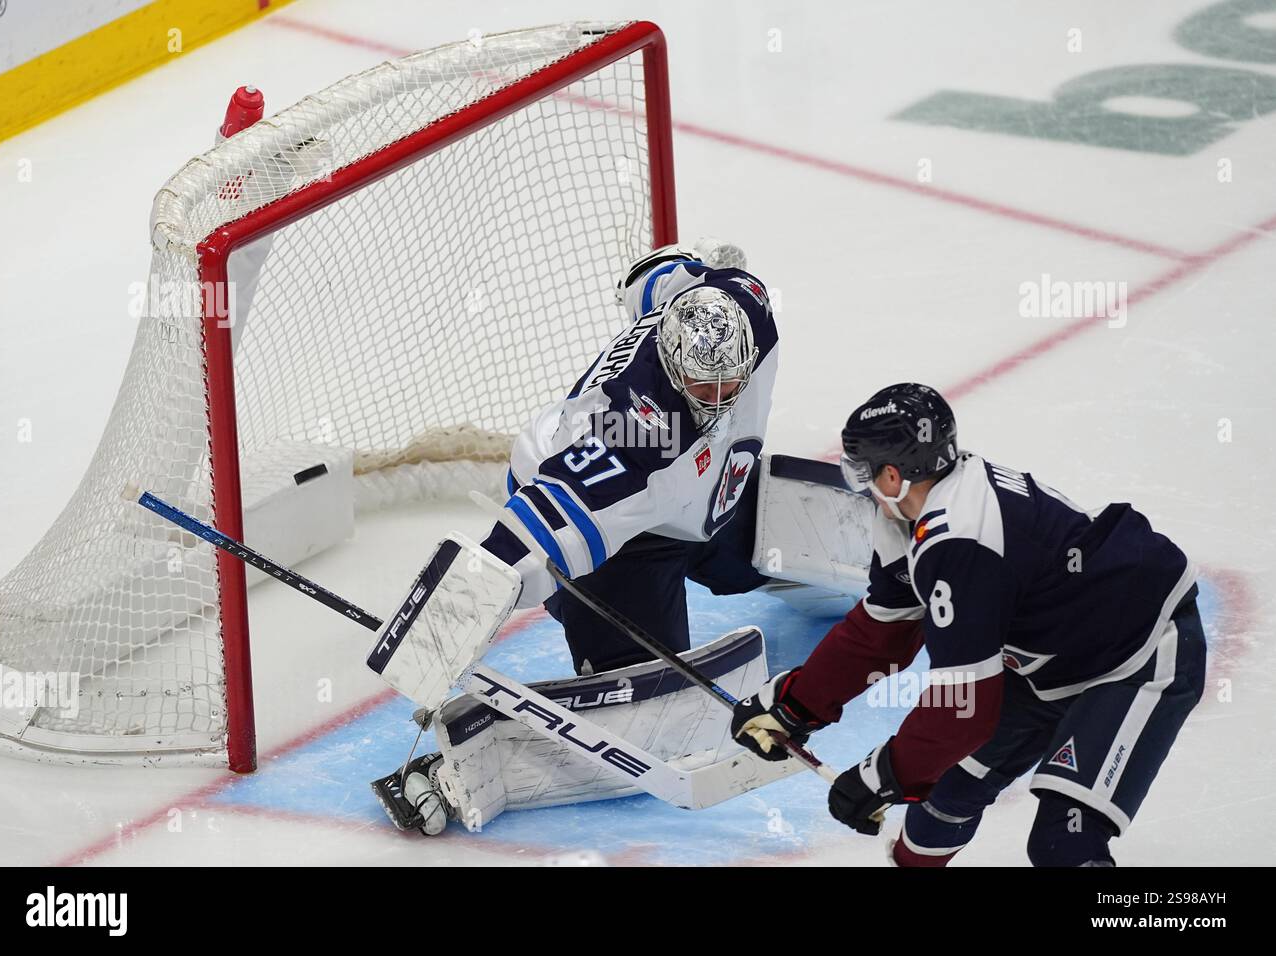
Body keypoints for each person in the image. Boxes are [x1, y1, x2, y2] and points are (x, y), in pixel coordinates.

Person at [731, 383, 1205, 866]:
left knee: (1064, 842)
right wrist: (795, 703)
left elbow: (965, 705)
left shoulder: (959, 540)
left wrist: (881, 775)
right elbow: (881, 633)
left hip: (1134, 656)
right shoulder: (911, 514)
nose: (859, 482)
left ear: (892, 475)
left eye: (862, 469)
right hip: (1051, 661)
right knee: (939, 802)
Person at [479, 238, 778, 675]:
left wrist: (673, 268)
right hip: (605, 513)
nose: (717, 399)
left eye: (729, 383)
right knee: (644, 671)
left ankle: (736, 561)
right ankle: (603, 635)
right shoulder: (638, 439)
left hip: (699, 492)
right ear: (672, 365)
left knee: (747, 561)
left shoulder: (747, 300)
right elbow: (537, 534)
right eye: (701, 386)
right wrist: (465, 604)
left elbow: (659, 279)